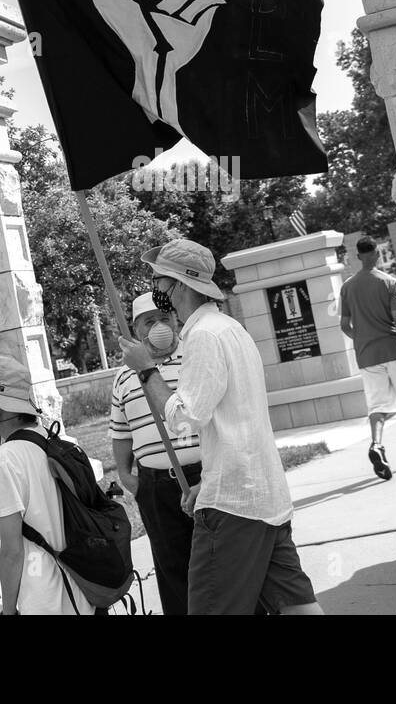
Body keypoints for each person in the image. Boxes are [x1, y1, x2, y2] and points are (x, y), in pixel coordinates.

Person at [119, 238, 323, 615]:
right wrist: (206, 484)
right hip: (262, 495)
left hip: (234, 507)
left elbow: (184, 417)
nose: (156, 290)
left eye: (159, 281)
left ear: (179, 285)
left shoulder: (203, 336)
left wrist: (146, 368)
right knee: (297, 607)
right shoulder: (230, 329)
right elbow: (235, 424)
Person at [0, 353, 94, 615]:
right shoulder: (54, 440)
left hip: (42, 597)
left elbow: (12, 550)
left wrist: (8, 611)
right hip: (81, 590)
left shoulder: (7, 459)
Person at [109, 292, 202, 615]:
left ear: (176, 319)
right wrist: (125, 474)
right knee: (172, 565)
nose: (160, 326)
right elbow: (120, 432)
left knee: (222, 560)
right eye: (150, 321)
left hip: (204, 475)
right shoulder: (123, 376)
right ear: (136, 330)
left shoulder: (196, 358)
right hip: (156, 486)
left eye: (165, 318)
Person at [340, 235, 396, 480]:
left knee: (377, 407)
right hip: (394, 350)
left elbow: (344, 325)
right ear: (377, 254)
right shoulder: (390, 283)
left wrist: (361, 339)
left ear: (358, 256)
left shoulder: (347, 286)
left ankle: (377, 445)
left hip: (367, 355)